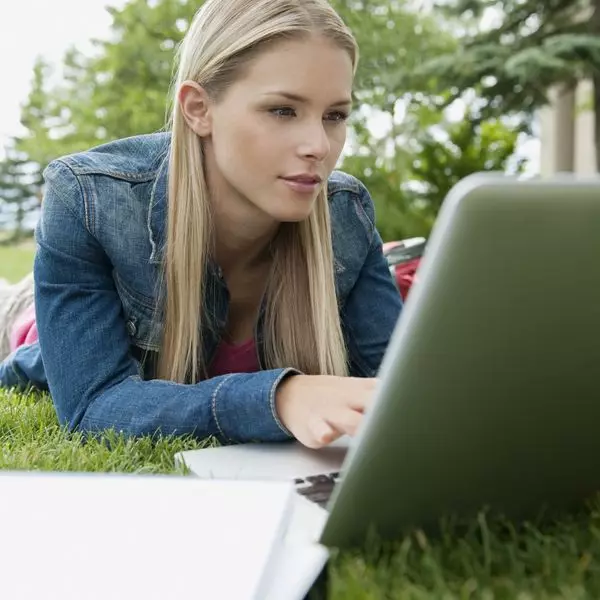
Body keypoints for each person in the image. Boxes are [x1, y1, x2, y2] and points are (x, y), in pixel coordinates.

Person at [0, 0, 402, 449]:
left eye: (335, 116)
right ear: (198, 109)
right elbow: (94, 406)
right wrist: (280, 396)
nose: (318, 146)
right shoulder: (88, 199)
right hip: (29, 319)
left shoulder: (346, 213)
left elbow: (404, 387)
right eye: (282, 111)